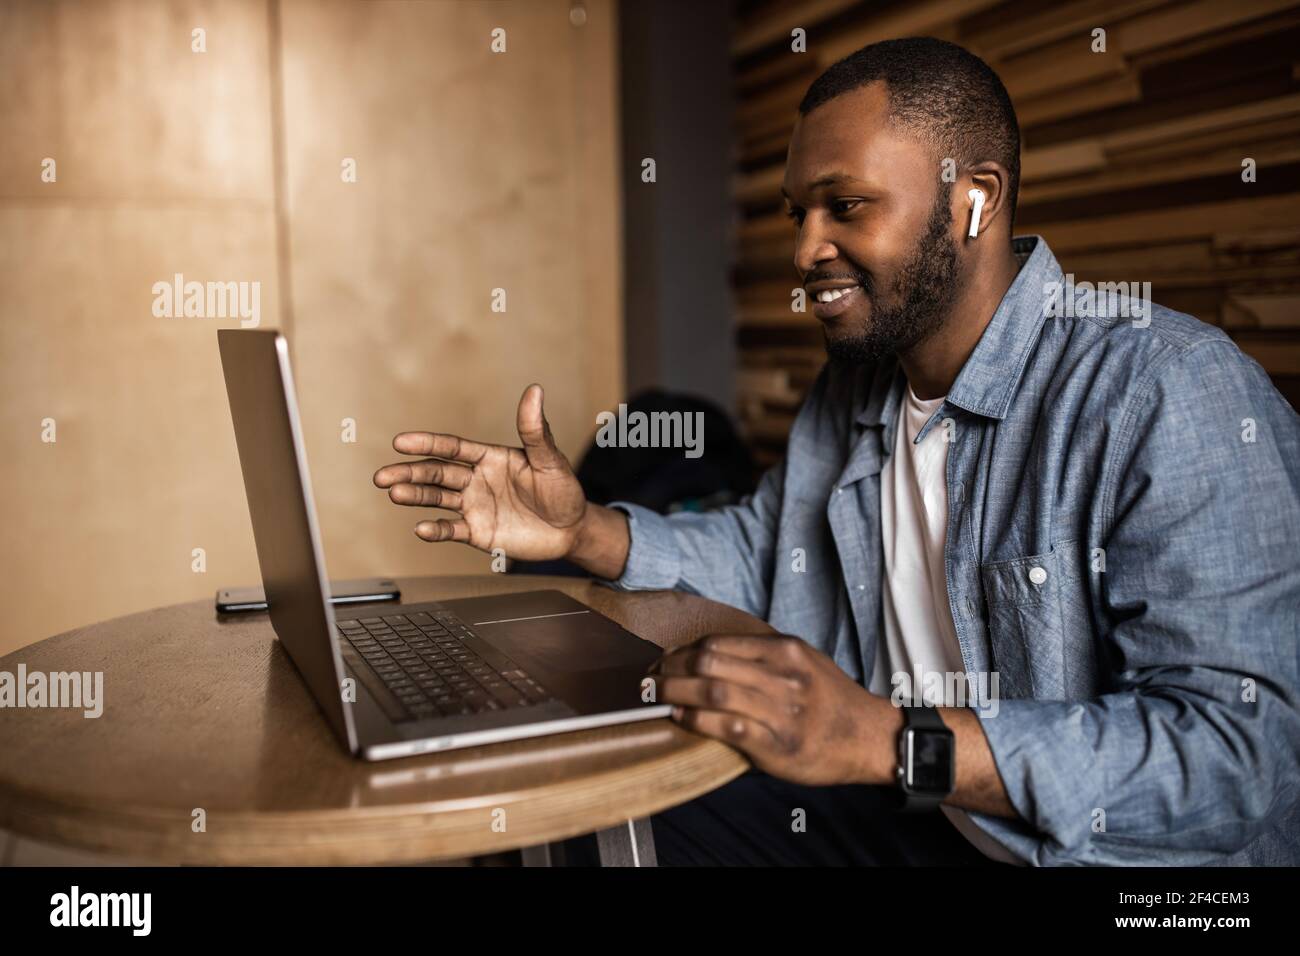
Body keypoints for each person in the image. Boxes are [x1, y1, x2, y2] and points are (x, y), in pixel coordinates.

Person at [373, 38, 1300, 866]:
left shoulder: (1167, 391)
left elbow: (1237, 757)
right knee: (558, 817)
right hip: (916, 811)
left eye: (845, 206)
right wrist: (586, 531)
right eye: (795, 215)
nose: (808, 248)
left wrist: (887, 740)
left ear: (975, 198)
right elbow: (769, 551)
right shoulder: (859, 384)